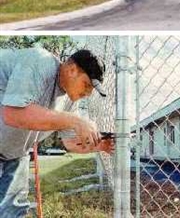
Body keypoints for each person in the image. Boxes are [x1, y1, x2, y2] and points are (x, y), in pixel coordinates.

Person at [0, 47, 115, 217]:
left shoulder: (70, 100)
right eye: (87, 85)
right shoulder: (39, 61)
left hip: (14, 155)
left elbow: (70, 143)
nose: (88, 93)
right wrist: (75, 121)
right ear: (72, 70)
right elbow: (13, 114)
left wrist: (101, 145)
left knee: (11, 214)